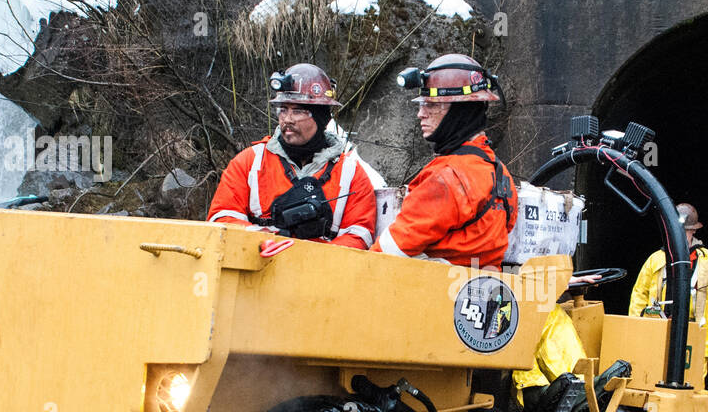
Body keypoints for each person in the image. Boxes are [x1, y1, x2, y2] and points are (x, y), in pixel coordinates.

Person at [208, 64, 378, 248]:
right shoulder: (249, 163)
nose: (288, 119)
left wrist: (310, 259)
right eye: (283, 110)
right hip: (258, 268)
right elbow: (222, 218)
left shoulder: (351, 174)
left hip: (320, 273)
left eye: (298, 111)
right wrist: (259, 238)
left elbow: (359, 235)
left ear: (321, 118)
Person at [372, 53, 516, 268]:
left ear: (461, 111)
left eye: (432, 105)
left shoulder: (446, 176)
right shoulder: (499, 172)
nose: (421, 114)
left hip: (430, 293)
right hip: (477, 291)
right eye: (422, 104)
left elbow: (388, 252)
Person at [628, 202, 708, 390]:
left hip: (696, 331)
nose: (680, 236)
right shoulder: (656, 260)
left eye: (685, 231)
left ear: (694, 232)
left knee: (694, 383)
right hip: (659, 329)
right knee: (655, 379)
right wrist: (637, 328)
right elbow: (639, 295)